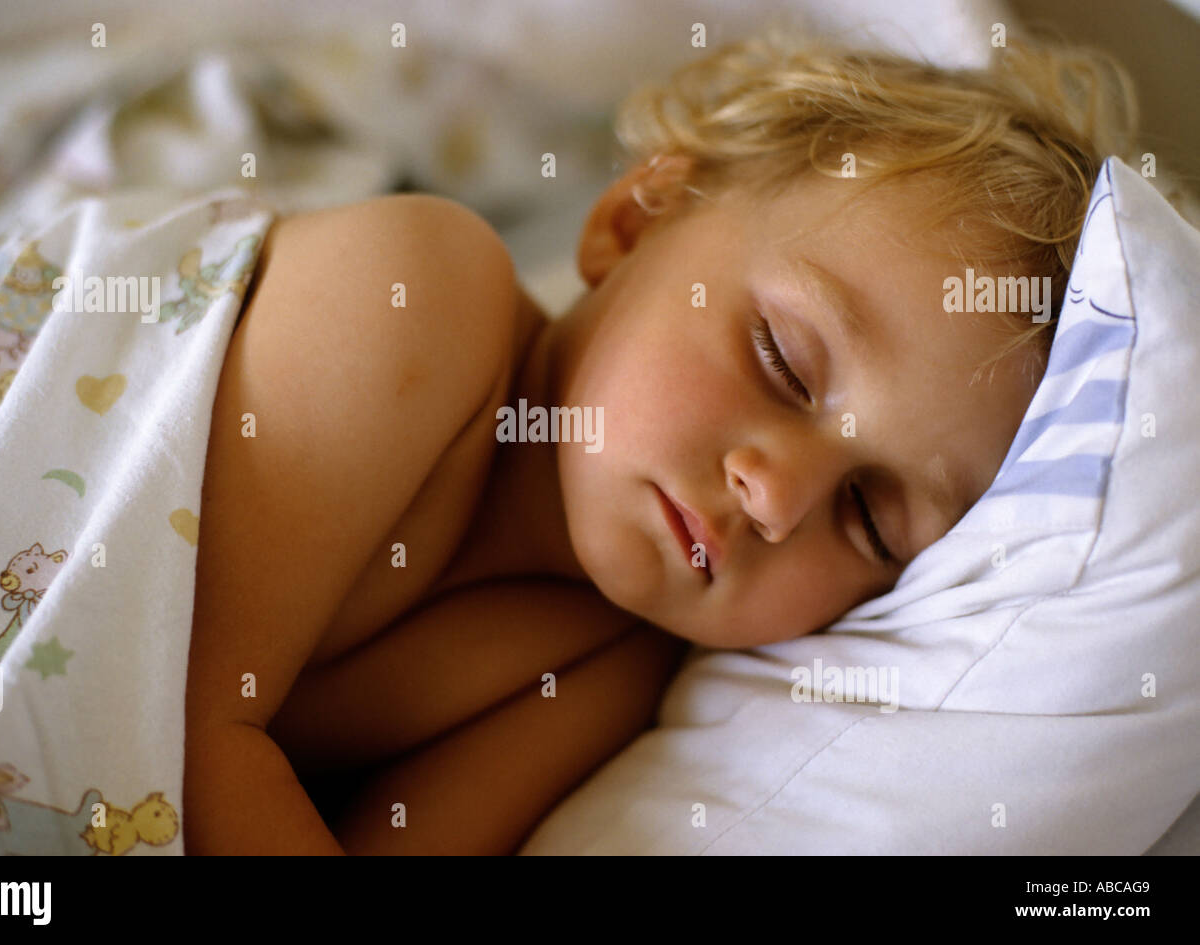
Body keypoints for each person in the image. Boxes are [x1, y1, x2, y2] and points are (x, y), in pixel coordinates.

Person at [184, 28, 1138, 854]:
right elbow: (172, 715)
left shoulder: (599, 674)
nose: (777, 496)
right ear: (634, 221)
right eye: (786, 364)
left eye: (869, 519)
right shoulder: (417, 298)